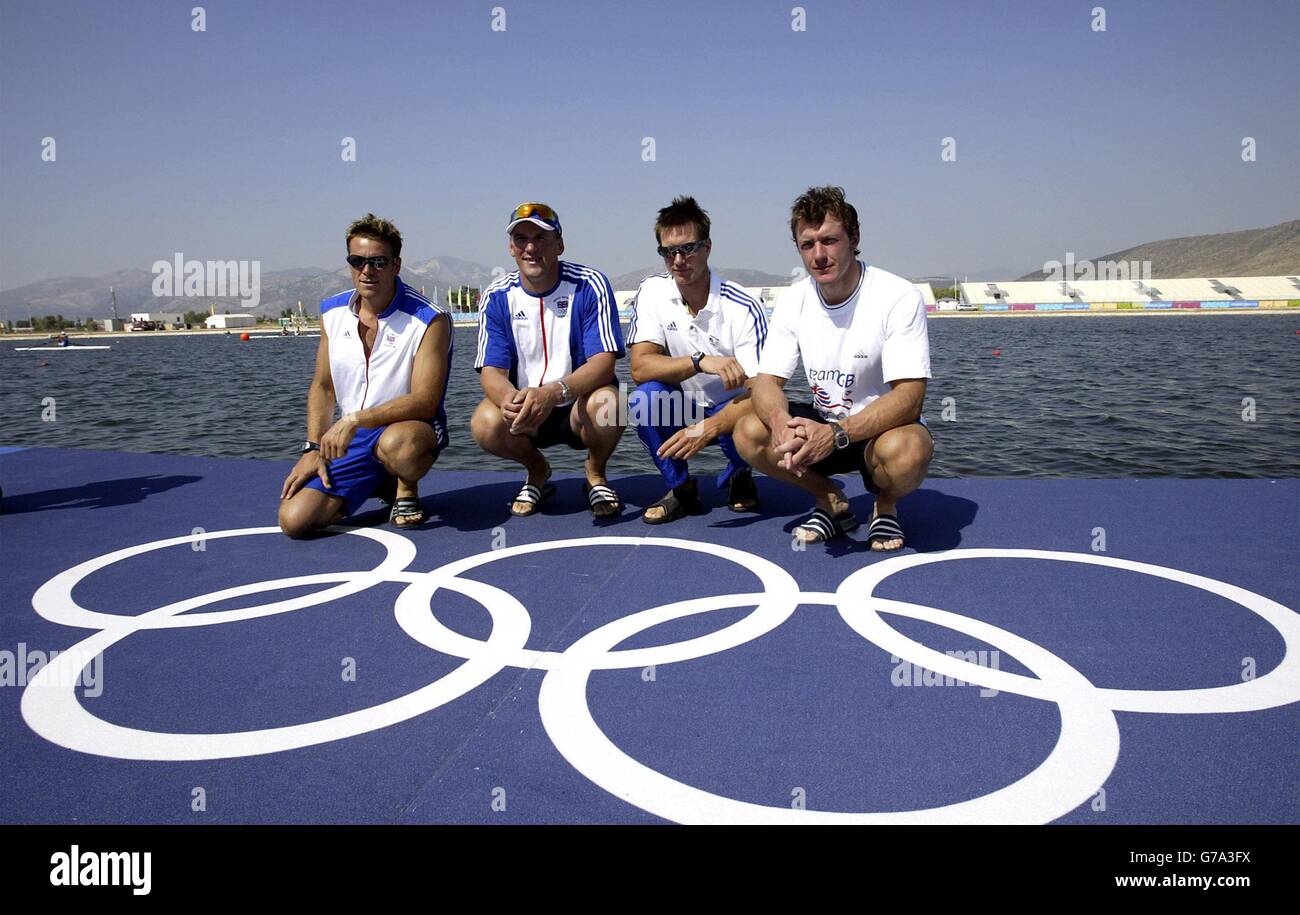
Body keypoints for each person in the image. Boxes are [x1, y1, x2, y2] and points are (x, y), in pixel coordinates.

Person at [734, 186, 933, 550]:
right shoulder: (793, 300)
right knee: (748, 431)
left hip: (879, 429)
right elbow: (766, 382)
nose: (819, 255)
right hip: (823, 422)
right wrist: (779, 422)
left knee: (909, 450)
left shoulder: (898, 296)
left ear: (854, 239)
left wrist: (837, 434)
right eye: (807, 245)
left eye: (829, 240)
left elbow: (911, 397)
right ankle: (830, 499)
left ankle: (885, 506)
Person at [278, 213, 453, 538]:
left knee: (400, 445)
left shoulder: (429, 318)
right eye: (357, 261)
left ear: (396, 265)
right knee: (294, 521)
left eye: (378, 262)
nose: (367, 271)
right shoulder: (332, 313)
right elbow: (323, 387)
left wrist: (354, 420)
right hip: (354, 436)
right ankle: (379, 480)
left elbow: (425, 401)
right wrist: (312, 448)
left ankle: (405, 485)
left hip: (410, 429)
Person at [471, 202, 626, 517]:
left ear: (559, 244)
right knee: (484, 423)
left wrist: (553, 393)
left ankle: (595, 474)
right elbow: (491, 371)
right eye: (521, 239)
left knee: (611, 405)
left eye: (541, 237)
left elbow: (603, 362)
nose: (531, 247)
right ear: (511, 248)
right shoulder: (496, 296)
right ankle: (537, 471)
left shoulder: (590, 284)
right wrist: (509, 399)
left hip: (579, 403)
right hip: (526, 408)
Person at [626, 195, 765, 523]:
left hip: (732, 407)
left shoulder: (743, 306)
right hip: (684, 402)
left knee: (756, 419)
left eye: (688, 248)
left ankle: (740, 472)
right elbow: (640, 367)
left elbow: (763, 391)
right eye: (668, 252)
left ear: (708, 247)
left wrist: (710, 427)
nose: (678, 260)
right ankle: (681, 488)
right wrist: (699, 361)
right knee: (643, 400)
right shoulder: (653, 292)